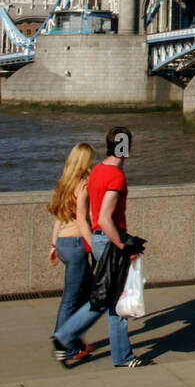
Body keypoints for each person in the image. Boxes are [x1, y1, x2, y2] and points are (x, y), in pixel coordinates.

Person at [52, 126, 145, 368]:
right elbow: (104, 218)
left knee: (112, 300)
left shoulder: (98, 171)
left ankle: (122, 356)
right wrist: (123, 245)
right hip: (111, 240)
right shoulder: (115, 176)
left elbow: (93, 215)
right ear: (126, 147)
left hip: (100, 238)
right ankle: (65, 336)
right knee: (107, 300)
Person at [47, 143, 96, 363]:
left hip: (64, 245)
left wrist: (54, 244)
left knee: (84, 292)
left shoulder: (64, 183)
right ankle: (64, 343)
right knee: (72, 297)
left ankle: (72, 339)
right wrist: (96, 247)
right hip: (76, 245)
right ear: (86, 162)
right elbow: (83, 221)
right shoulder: (83, 185)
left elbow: (58, 216)